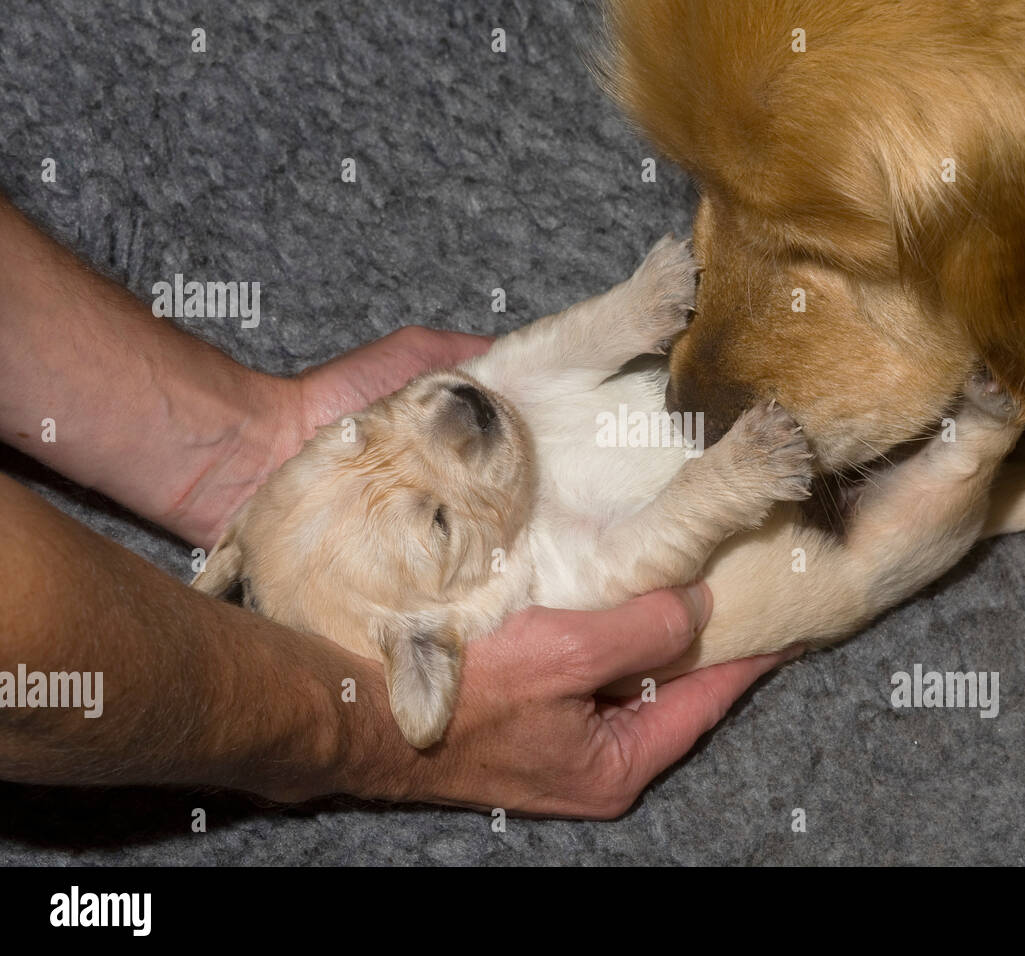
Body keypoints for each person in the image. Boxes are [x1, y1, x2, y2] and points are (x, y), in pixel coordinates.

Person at [0, 194, 799, 818]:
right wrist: (351, 736)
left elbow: (553, 357)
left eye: (353, 436)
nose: (447, 418)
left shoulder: (476, 472)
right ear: (429, 638)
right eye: (439, 521)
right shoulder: (516, 591)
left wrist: (243, 442)